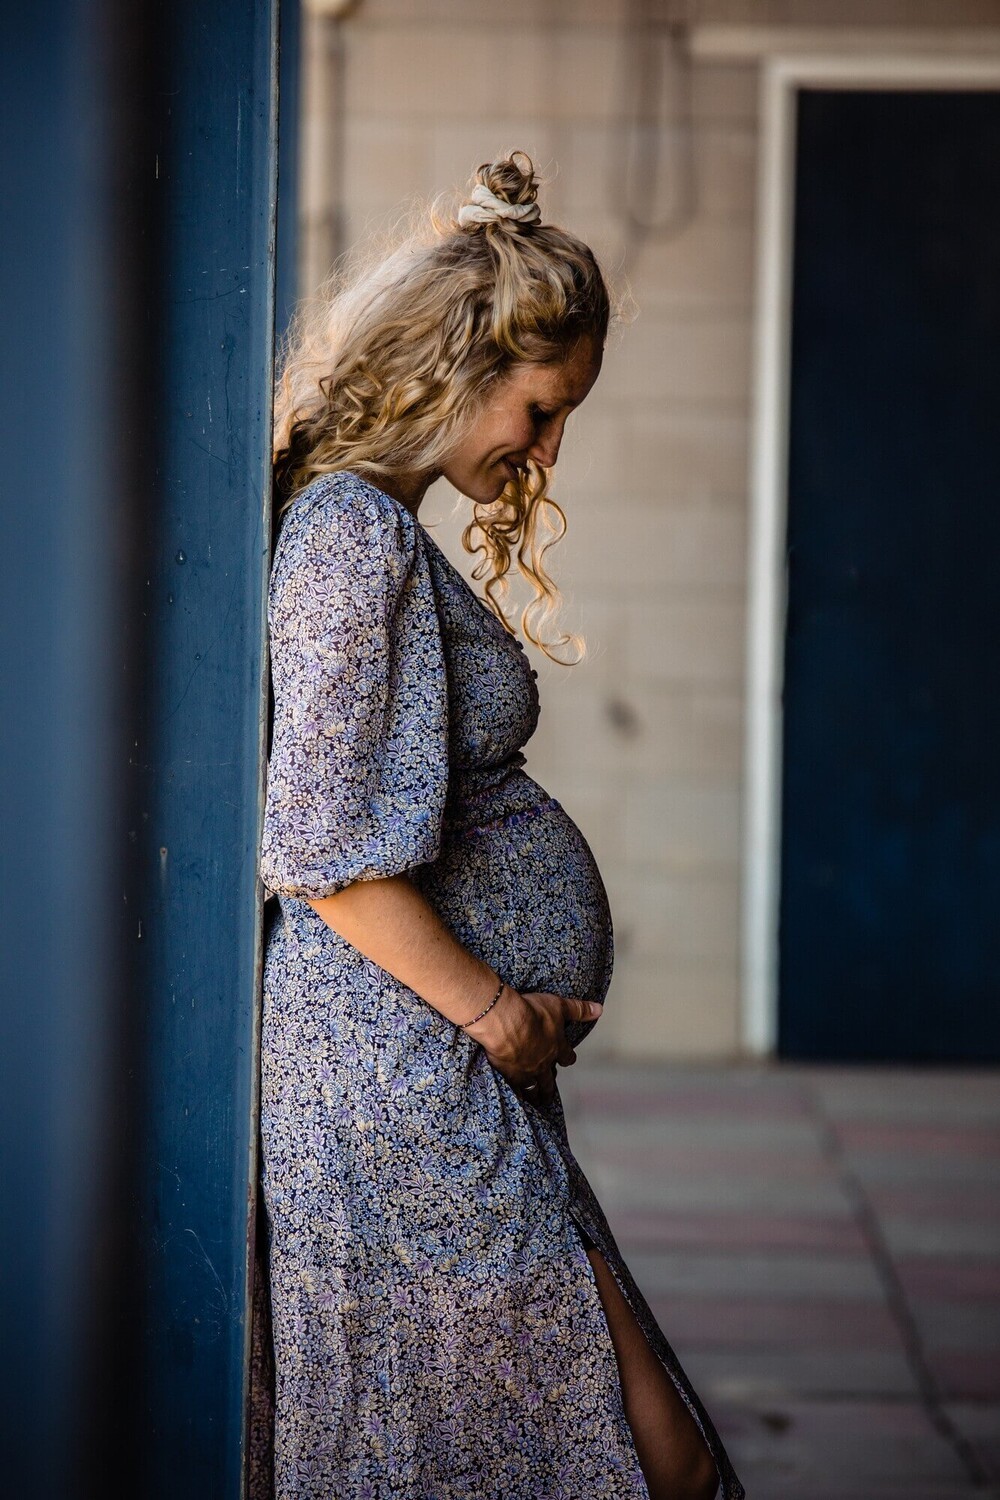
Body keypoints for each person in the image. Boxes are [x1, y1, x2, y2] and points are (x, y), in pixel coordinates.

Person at [252, 152, 744, 1500]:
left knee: (544, 1447)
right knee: (638, 1455)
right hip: (400, 1078)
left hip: (422, 1067)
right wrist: (500, 1019)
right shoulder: (353, 537)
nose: (547, 449)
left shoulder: (371, 526)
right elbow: (327, 860)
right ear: (461, 365)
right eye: (541, 407)